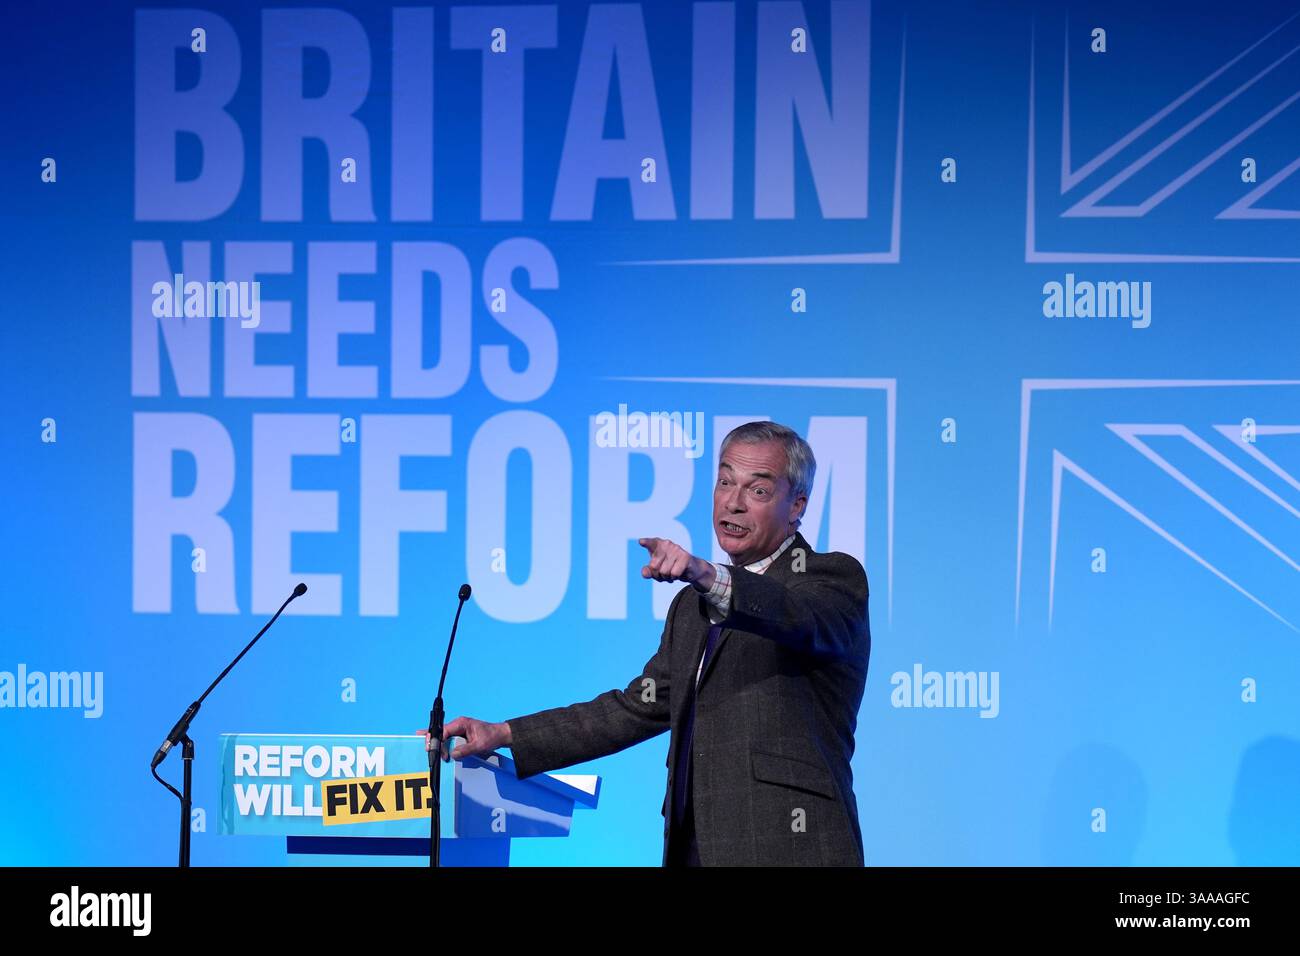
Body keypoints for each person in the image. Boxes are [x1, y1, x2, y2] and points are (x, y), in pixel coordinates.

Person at [428, 421, 871, 865]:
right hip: (695, 851)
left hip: (792, 848)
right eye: (724, 482)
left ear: (796, 505)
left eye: (757, 491)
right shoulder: (691, 609)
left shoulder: (829, 579)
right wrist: (505, 733)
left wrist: (704, 573)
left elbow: (794, 617)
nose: (733, 503)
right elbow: (633, 708)